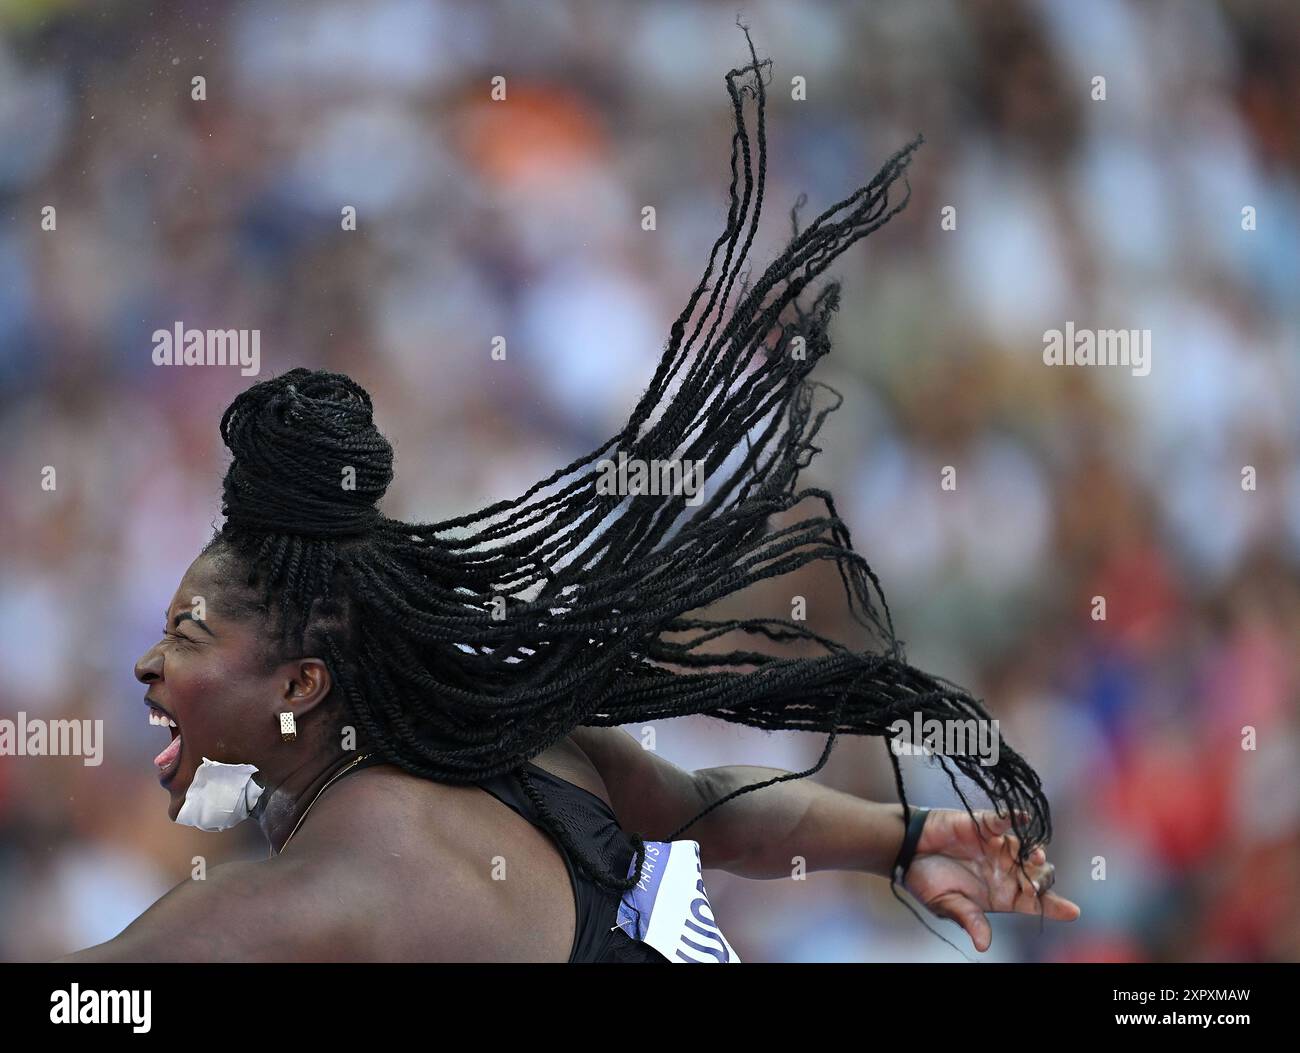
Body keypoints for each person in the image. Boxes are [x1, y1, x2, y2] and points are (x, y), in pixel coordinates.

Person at [58, 34, 1078, 963]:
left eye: (188, 634)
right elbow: (710, 810)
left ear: (300, 687)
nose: (147, 662)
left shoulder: (299, 909)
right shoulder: (522, 746)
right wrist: (901, 842)